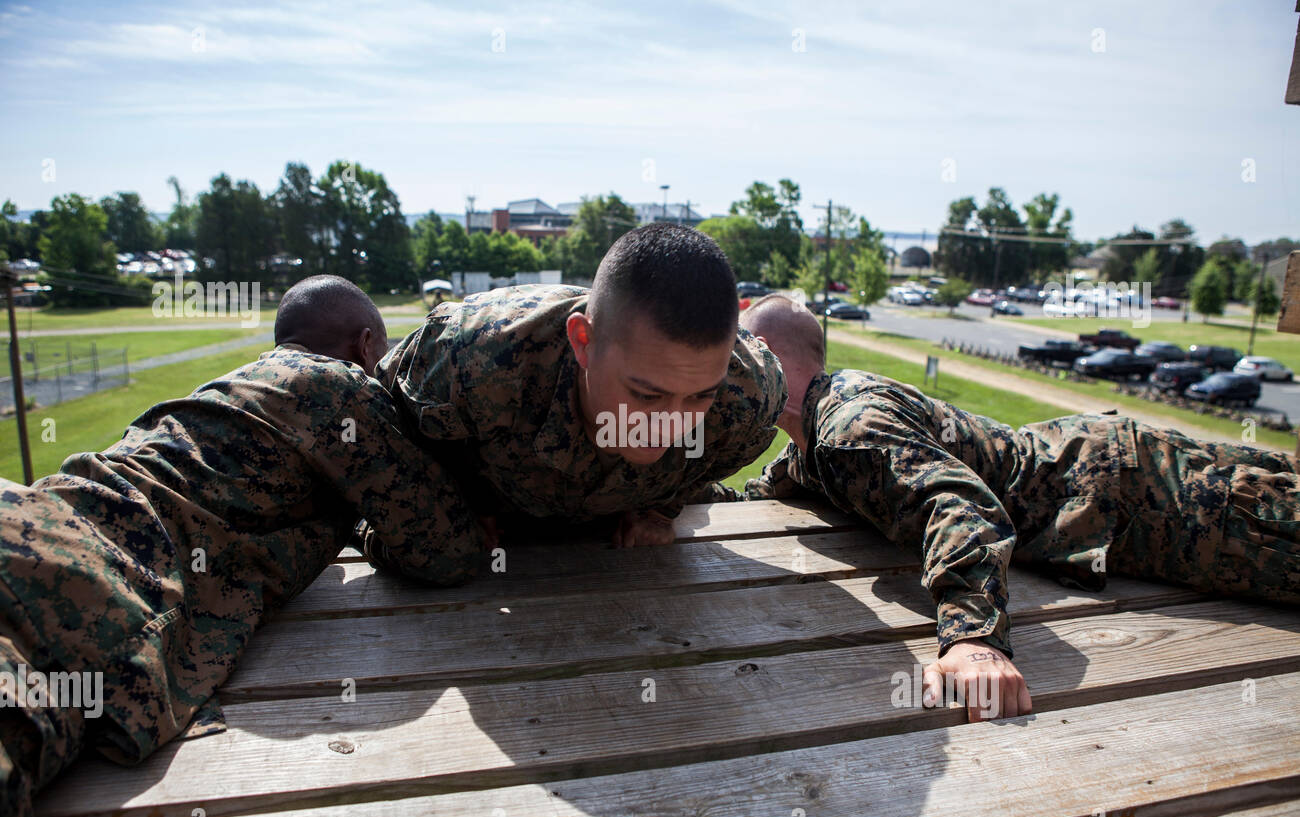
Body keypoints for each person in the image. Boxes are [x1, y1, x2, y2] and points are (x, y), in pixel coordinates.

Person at [0, 275, 485, 817]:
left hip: (41, 513)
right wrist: (374, 532)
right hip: (95, 573)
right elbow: (446, 550)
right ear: (365, 345)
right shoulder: (338, 385)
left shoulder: (233, 389)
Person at [733, 293, 1300, 722]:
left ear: (767, 358)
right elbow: (771, 486)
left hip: (1136, 496)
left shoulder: (849, 429)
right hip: (1104, 477)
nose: (725, 379)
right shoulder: (818, 438)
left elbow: (962, 506)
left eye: (734, 361)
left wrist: (972, 639)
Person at [377, 222, 786, 548]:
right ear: (583, 341)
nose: (671, 424)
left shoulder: (749, 391)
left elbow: (732, 445)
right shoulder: (474, 354)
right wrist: (458, 499)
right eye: (647, 395)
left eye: (700, 396)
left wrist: (659, 510)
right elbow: (379, 415)